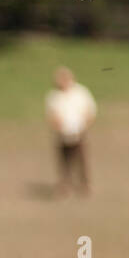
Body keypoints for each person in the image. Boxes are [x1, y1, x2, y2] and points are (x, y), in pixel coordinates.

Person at [45, 66, 96, 196]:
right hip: (62, 133)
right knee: (64, 161)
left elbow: (89, 110)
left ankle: (85, 185)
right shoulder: (54, 96)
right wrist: (59, 126)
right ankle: (64, 185)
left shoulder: (80, 92)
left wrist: (83, 126)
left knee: (82, 159)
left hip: (79, 131)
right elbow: (52, 115)